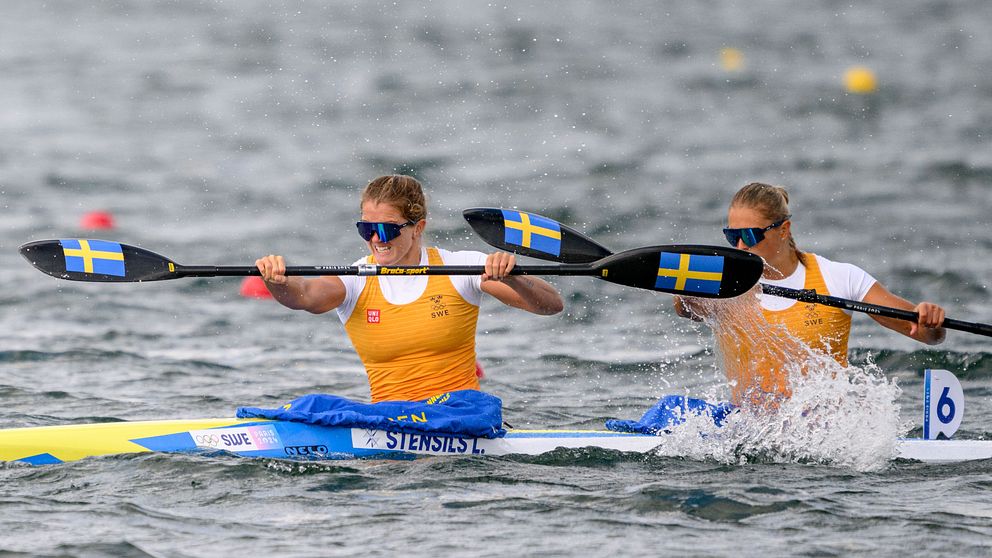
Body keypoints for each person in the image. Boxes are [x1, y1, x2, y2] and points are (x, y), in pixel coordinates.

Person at [256, 175, 564, 403]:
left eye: (386, 229)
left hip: (460, 417)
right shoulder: (355, 279)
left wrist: (512, 277)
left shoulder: (461, 267)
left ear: (418, 228)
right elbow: (304, 296)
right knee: (313, 405)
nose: (376, 239)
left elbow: (551, 305)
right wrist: (278, 282)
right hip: (391, 421)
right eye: (367, 229)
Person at [674, 182, 946, 407]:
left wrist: (928, 319)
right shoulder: (724, 284)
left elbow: (926, 334)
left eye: (750, 235)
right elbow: (685, 309)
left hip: (819, 431)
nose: (741, 246)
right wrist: (687, 293)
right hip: (746, 428)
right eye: (732, 236)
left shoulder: (838, 277)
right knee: (671, 407)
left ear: (783, 230)